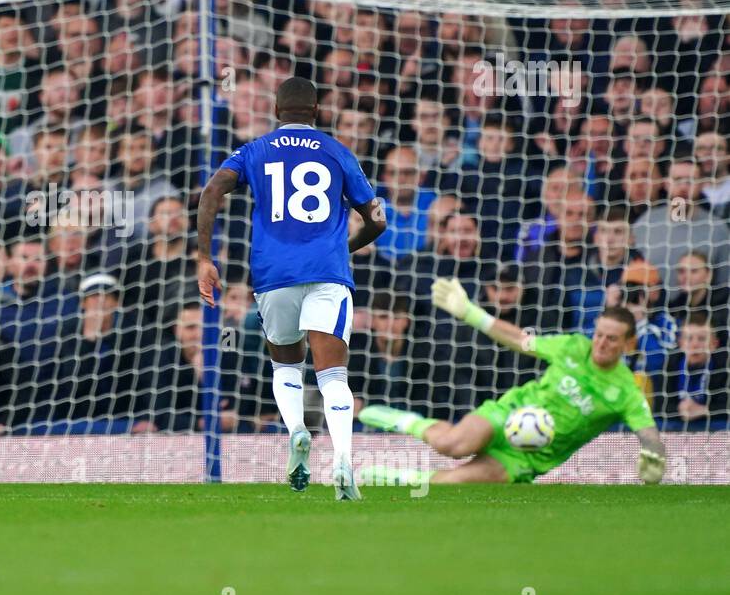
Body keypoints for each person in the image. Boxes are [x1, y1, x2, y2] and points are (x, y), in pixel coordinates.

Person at [196, 77, 386, 500]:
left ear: (276, 109)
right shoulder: (338, 152)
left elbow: (211, 192)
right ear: (316, 109)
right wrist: (346, 247)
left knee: (286, 365)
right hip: (327, 273)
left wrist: (204, 258)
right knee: (333, 373)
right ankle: (341, 460)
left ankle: (297, 429)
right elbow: (377, 219)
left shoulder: (254, 149)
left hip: (273, 276)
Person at [359, 287, 666, 486]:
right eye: (598, 334)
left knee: (449, 485)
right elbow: (521, 340)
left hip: (529, 458)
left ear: (629, 343)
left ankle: (394, 477)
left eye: (611, 339)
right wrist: (471, 313)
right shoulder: (574, 346)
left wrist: (654, 458)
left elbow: (648, 432)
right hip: (510, 413)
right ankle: (404, 420)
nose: (600, 344)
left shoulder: (626, 391)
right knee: (453, 445)